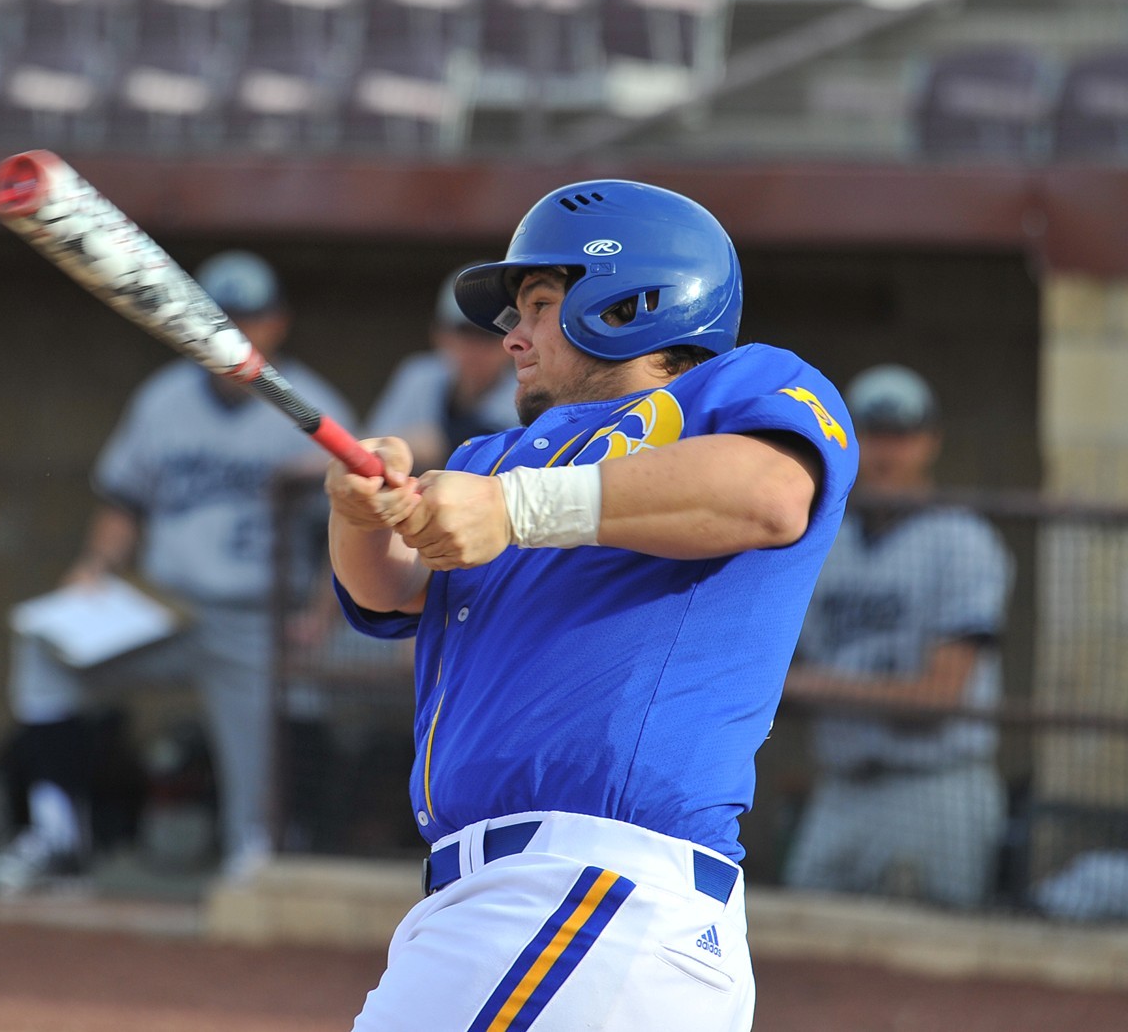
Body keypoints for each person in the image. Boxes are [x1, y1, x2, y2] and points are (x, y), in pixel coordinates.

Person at [325, 180, 858, 1031]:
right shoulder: (490, 456)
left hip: (588, 884)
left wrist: (513, 508)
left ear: (629, 301)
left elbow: (767, 494)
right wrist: (360, 513)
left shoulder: (742, 387)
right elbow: (385, 589)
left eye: (539, 305)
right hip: (532, 901)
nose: (512, 337)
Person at [0, 249, 356, 892]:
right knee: (45, 654)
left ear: (278, 324)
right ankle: (57, 838)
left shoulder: (310, 407)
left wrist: (320, 613)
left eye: (248, 319)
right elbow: (124, 503)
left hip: (255, 622)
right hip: (165, 606)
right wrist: (95, 566)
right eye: (218, 318)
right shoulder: (163, 400)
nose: (233, 332)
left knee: (255, 840)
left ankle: (254, 864)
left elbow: (350, 526)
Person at [781, 364, 1012, 908]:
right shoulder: (824, 539)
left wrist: (815, 686)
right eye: (872, 434)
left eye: (902, 435)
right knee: (810, 935)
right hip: (842, 785)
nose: (886, 452)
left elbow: (939, 698)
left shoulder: (963, 539)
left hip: (935, 785)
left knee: (932, 944)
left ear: (930, 442)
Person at [365, 264, 519, 473]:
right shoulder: (419, 375)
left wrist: (418, 445)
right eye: (465, 332)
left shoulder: (524, 385)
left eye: (489, 335)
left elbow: (474, 442)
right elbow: (373, 444)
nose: (476, 347)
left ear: (512, 340)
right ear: (440, 333)